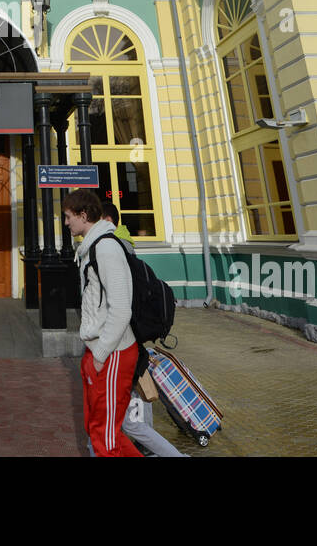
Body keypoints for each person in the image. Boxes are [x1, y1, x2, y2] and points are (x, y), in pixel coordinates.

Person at [84, 201, 187, 458]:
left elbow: (120, 310)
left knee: (123, 423)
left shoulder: (112, 252)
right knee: (120, 422)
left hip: (121, 352)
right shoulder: (121, 249)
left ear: (106, 220)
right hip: (126, 350)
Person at [63, 188, 141, 457]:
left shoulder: (105, 248)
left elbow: (120, 309)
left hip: (113, 353)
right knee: (102, 431)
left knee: (104, 437)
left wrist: (100, 353)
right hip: (99, 351)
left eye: (68, 216)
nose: (66, 222)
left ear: (83, 215)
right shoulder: (89, 248)